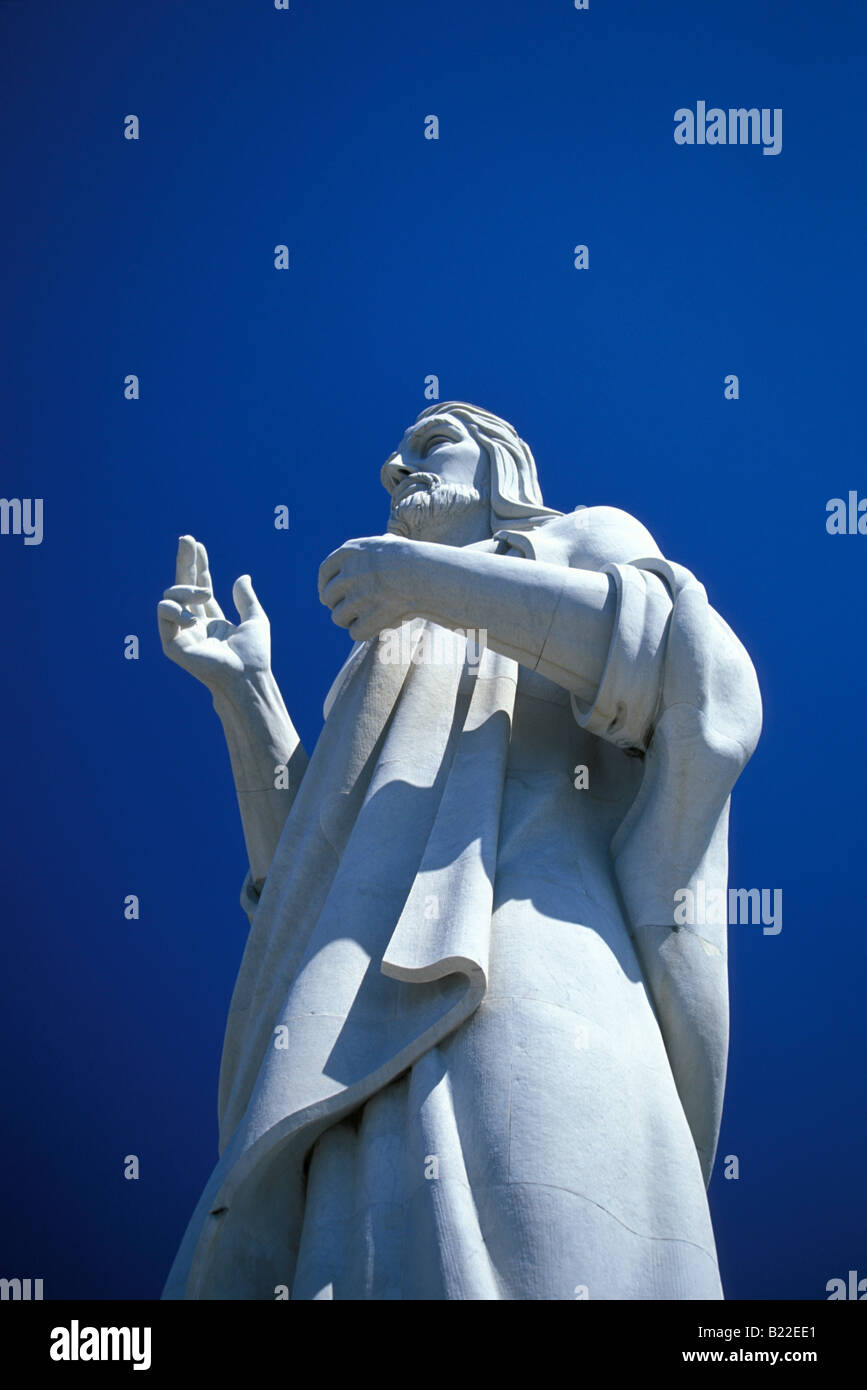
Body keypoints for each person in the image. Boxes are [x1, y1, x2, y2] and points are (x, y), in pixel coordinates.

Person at [158, 402, 761, 1300]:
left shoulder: (579, 539)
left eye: (429, 443)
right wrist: (246, 697)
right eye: (393, 456)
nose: (394, 469)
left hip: (531, 958)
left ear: (504, 467)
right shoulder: (388, 634)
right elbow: (312, 874)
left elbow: (699, 688)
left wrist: (426, 581)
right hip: (340, 1018)